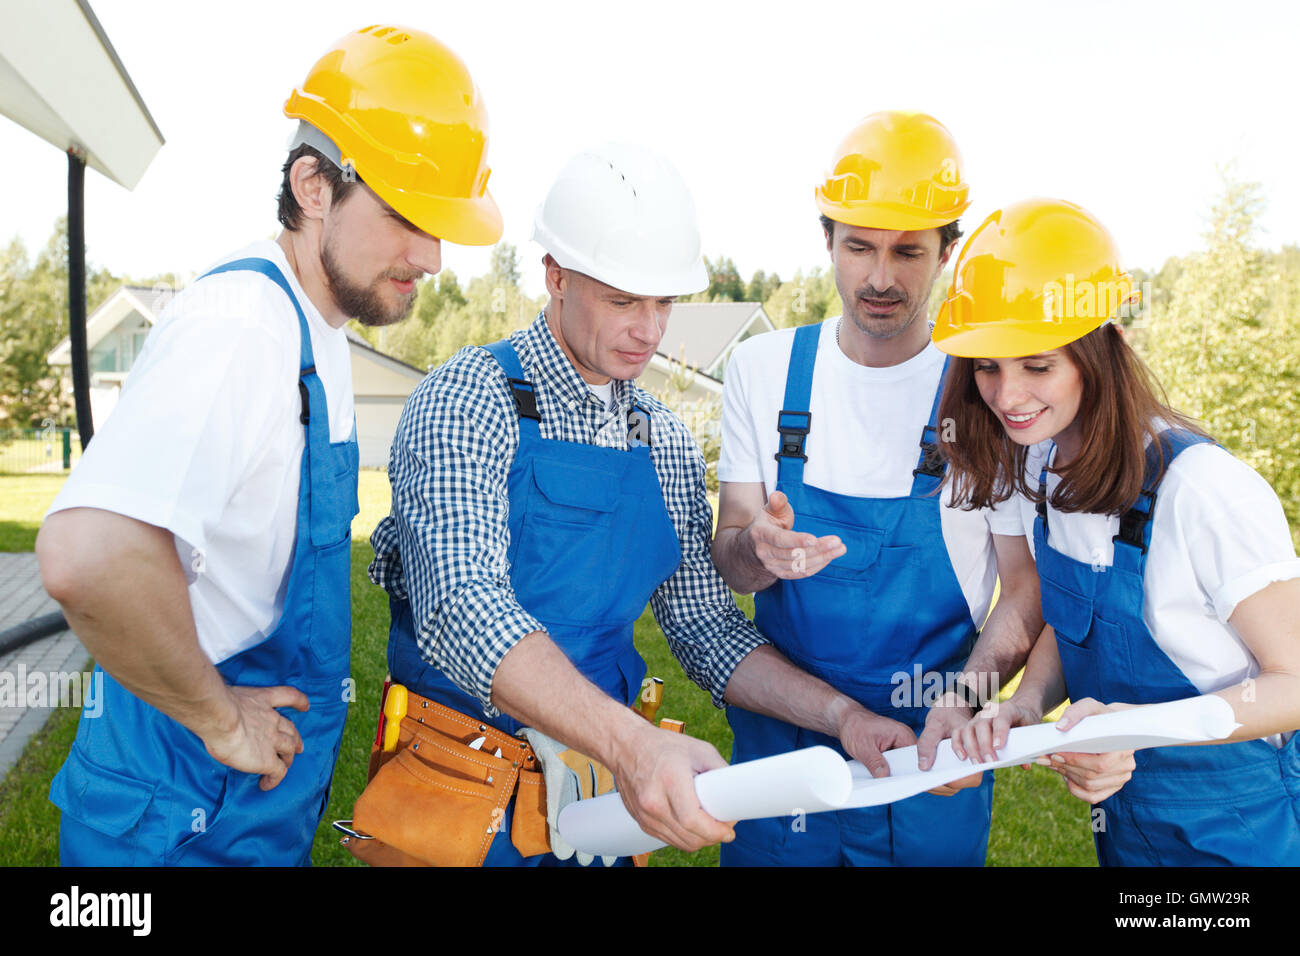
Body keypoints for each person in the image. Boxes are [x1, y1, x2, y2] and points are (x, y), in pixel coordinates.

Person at [366, 142, 954, 867]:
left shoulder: (663, 441)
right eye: (621, 300)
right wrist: (634, 745)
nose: (649, 329)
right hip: (456, 798)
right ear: (554, 276)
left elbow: (707, 627)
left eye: (664, 302)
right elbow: (462, 607)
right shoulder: (469, 398)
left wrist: (847, 718)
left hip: (598, 806)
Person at [35, 25, 501, 866]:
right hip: (176, 817)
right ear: (313, 185)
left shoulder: (313, 323)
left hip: (237, 812)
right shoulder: (241, 324)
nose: (431, 256)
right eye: (408, 218)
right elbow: (86, 555)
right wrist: (219, 716)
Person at [710, 111, 1044, 866]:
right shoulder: (764, 372)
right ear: (826, 239)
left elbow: (1023, 591)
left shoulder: (986, 389)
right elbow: (730, 552)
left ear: (947, 253)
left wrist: (964, 701)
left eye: (908, 251)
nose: (881, 277)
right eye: (859, 246)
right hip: (784, 756)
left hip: (929, 756)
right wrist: (758, 551)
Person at [934, 197, 1300, 865]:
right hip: (1132, 832)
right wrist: (1026, 706)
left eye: (1036, 365)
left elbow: (1295, 681)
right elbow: (1070, 622)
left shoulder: (1205, 490)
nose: (1007, 395)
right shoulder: (1042, 465)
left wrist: (1136, 728)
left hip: (1245, 828)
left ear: (1102, 352)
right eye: (987, 365)